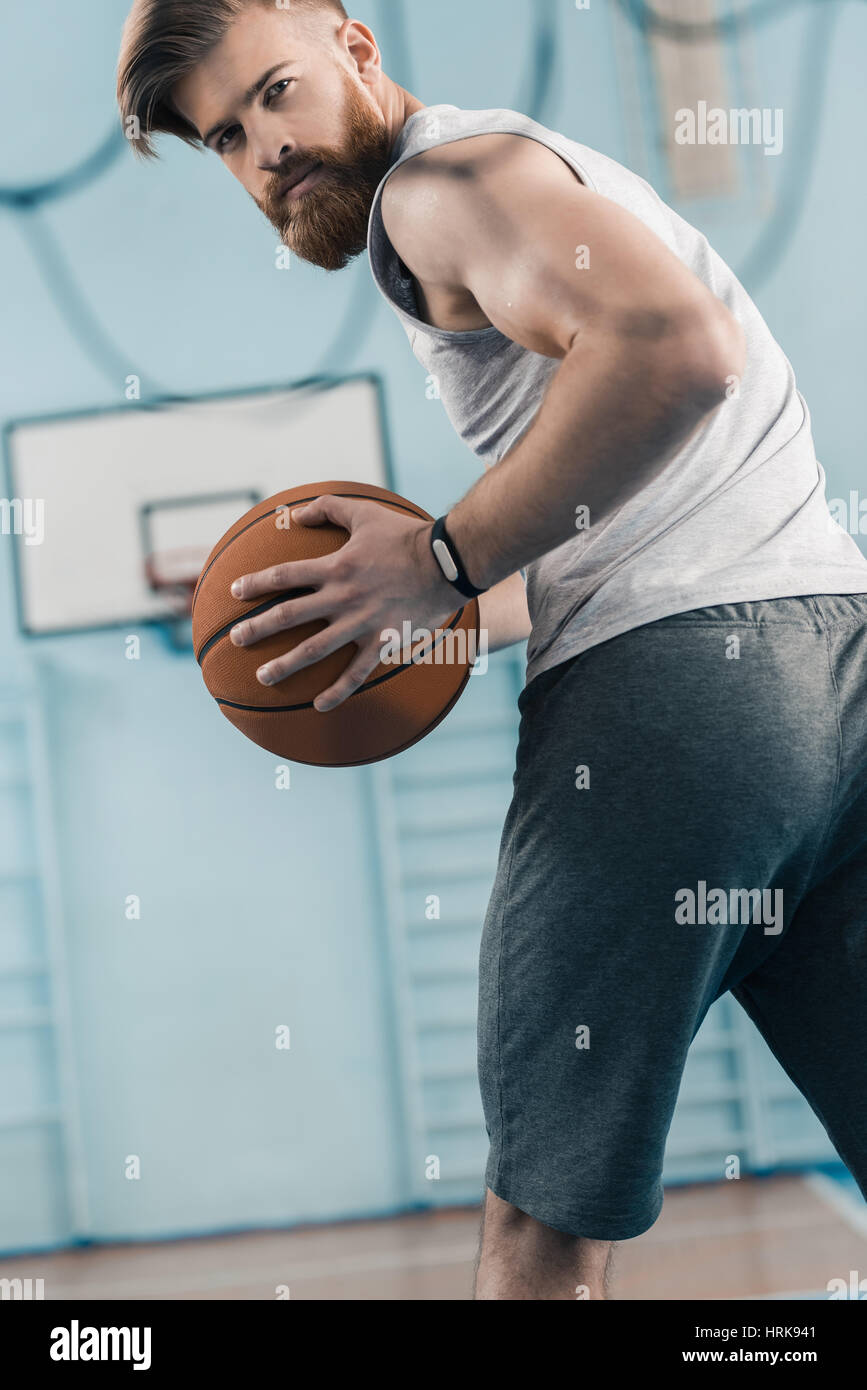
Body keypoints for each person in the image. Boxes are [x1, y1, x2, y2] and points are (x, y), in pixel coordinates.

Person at [117, 0, 867, 1300]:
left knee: (540, 1226)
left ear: (356, 46)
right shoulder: (532, 175)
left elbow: (678, 350)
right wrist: (424, 603)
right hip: (834, 686)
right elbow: (643, 498)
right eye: (227, 138)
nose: (265, 154)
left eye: (278, 95)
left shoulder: (439, 187)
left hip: (672, 716)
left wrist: (442, 555)